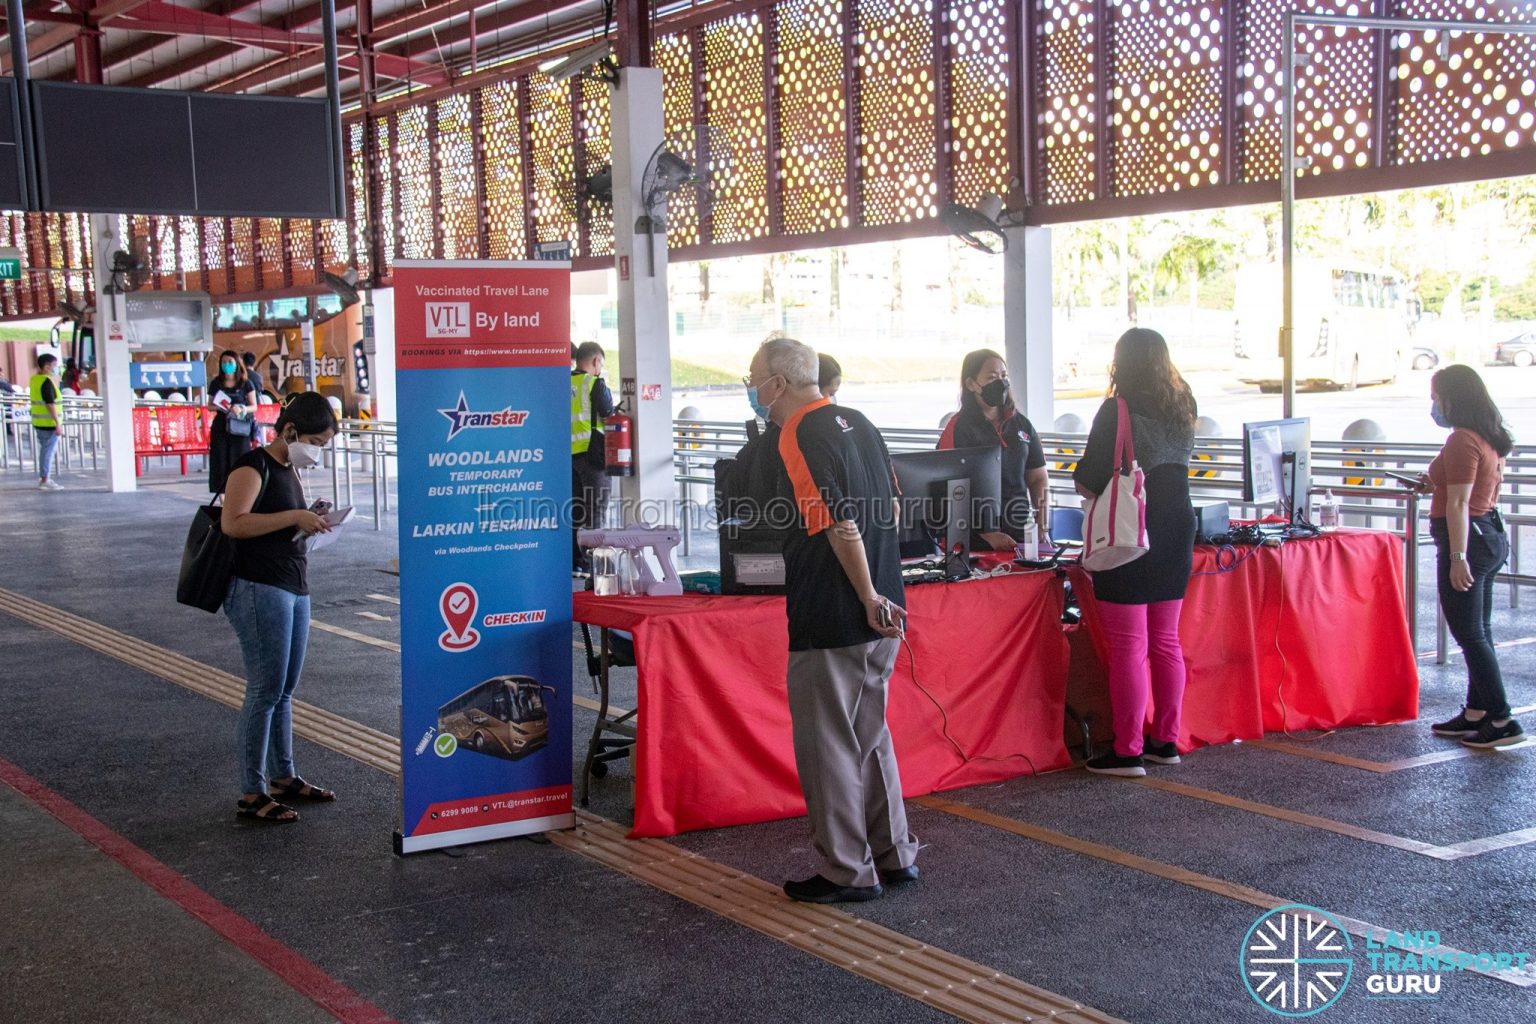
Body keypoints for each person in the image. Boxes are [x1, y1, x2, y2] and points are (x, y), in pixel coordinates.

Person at [744, 336, 917, 904]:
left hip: (835, 605)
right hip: (888, 604)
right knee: (872, 735)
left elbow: (839, 522)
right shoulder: (859, 420)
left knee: (829, 745)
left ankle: (847, 870)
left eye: (754, 377)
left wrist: (863, 592)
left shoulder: (796, 433)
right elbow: (891, 508)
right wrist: (880, 594)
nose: (752, 388)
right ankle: (895, 854)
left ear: (781, 383)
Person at [1073, 328, 1196, 777]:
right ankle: (1165, 740)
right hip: (1178, 526)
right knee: (1166, 640)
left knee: (1129, 645)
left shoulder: (1116, 409)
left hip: (1131, 530)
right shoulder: (1185, 405)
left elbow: (1089, 477)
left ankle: (1126, 751)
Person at [221, 392, 338, 823]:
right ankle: (252, 792)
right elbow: (234, 522)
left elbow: (283, 519)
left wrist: (310, 519)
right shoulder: (252, 466)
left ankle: (284, 775)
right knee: (264, 690)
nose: (318, 451)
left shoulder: (289, 468)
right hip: (257, 587)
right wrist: (294, 518)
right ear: (290, 431)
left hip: (292, 583)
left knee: (284, 690)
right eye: (316, 441)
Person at [1418, 366, 1522, 749]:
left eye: (1436, 397)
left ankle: (1502, 717)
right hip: (1489, 536)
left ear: (1453, 398)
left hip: (1470, 540)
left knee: (1470, 634)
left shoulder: (1462, 438)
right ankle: (1477, 711)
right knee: (1480, 630)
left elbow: (1460, 503)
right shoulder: (1486, 435)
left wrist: (1457, 557)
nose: (1434, 405)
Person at [938, 349, 1048, 551]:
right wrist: (984, 533)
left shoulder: (1022, 424)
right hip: (974, 540)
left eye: (1004, 376)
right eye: (991, 377)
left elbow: (1038, 477)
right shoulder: (958, 427)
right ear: (971, 384)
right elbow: (943, 488)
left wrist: (1042, 525)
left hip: (1020, 534)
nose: (1001, 383)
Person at [571, 341, 615, 571]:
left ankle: (577, 563)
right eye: (601, 364)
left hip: (569, 458)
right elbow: (609, 414)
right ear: (596, 361)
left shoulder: (562, 381)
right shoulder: (594, 383)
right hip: (593, 457)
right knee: (596, 512)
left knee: (576, 510)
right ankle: (594, 567)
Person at [208, 349, 258, 495]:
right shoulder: (216, 383)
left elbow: (254, 406)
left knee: (240, 461)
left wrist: (241, 408)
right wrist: (223, 407)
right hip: (221, 427)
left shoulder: (245, 383)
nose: (227, 365)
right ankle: (222, 499)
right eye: (224, 362)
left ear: (237, 363)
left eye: (230, 362)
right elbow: (209, 405)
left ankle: (241, 494)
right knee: (220, 462)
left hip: (240, 428)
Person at [30, 353, 64, 490]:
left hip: (39, 422)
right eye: (55, 366)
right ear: (46, 366)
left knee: (45, 451)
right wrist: (57, 423)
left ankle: (44, 477)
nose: (57, 368)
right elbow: (50, 404)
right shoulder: (46, 382)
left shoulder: (34, 379)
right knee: (47, 452)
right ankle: (45, 479)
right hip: (49, 424)